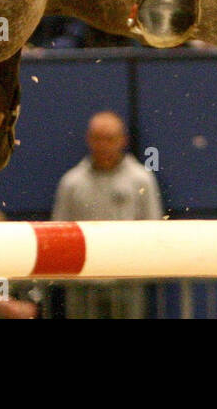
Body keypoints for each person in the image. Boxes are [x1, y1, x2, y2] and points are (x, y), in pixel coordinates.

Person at [51, 111, 163, 319]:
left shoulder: (141, 179)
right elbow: (58, 231)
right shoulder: (72, 182)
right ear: (88, 139)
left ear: (123, 140)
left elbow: (153, 228)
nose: (103, 145)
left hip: (127, 281)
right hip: (82, 283)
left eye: (109, 139)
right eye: (98, 138)